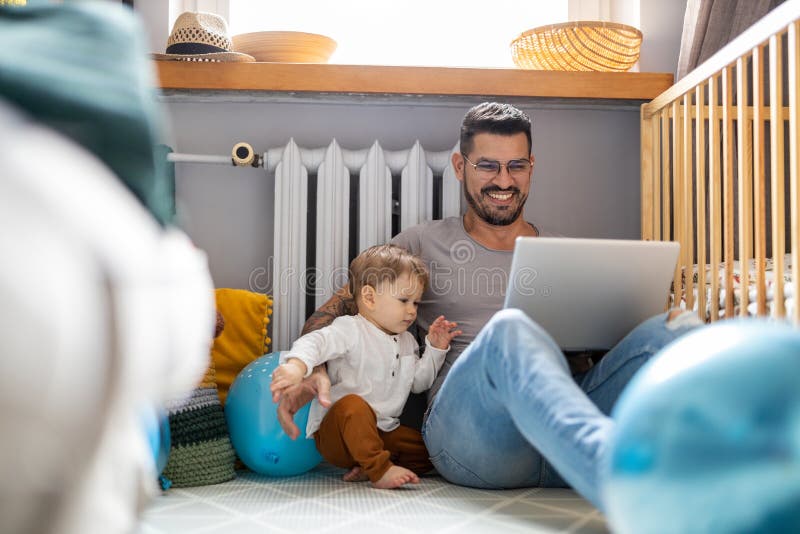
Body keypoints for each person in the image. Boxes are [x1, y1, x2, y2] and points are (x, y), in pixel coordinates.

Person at [277, 102, 701, 510]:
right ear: (460, 167)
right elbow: (336, 313)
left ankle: (686, 458)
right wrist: (316, 371)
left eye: (516, 166)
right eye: (488, 166)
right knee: (509, 328)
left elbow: (607, 356)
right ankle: (617, 466)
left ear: (531, 167)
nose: (504, 180)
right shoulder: (420, 245)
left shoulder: (565, 253)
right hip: (474, 439)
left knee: (671, 328)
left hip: (558, 437)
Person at [270, 244, 460, 489]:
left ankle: (367, 465)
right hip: (338, 434)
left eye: (416, 303)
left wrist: (435, 349)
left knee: (427, 452)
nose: (412, 311)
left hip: (382, 432)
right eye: (404, 300)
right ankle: (379, 470)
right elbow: (316, 342)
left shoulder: (407, 341)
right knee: (353, 406)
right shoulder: (349, 328)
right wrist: (296, 366)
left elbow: (417, 384)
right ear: (370, 297)